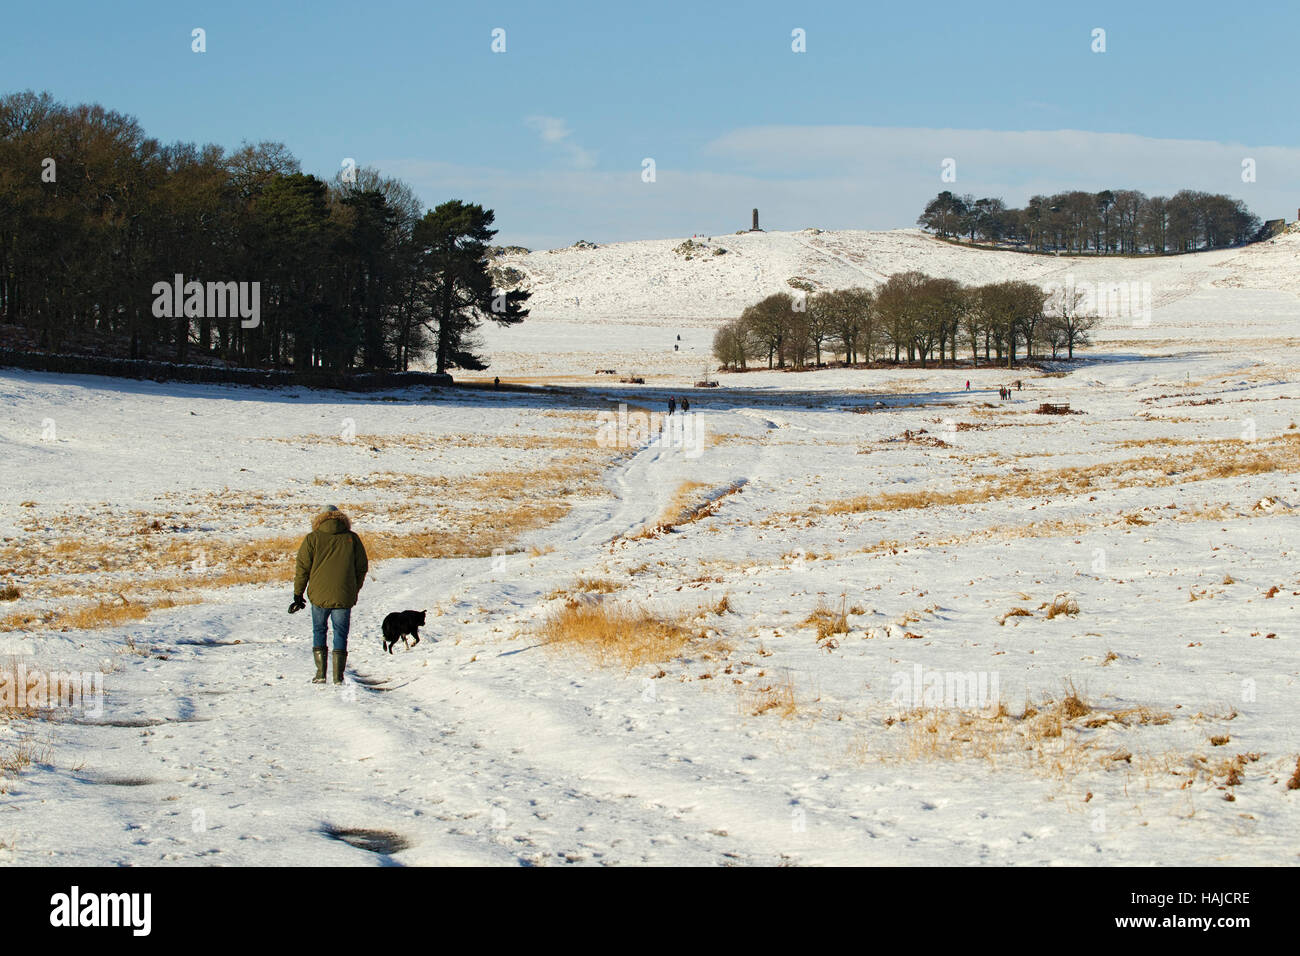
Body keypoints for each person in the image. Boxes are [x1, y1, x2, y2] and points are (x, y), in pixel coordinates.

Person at [290, 505, 369, 684]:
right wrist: (353, 589)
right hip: (344, 595)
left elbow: (302, 568)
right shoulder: (352, 538)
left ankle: (320, 674)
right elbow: (362, 567)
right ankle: (338, 677)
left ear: (320, 519)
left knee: (319, 630)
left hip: (318, 595)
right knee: (340, 633)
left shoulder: (312, 539)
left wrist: (298, 594)